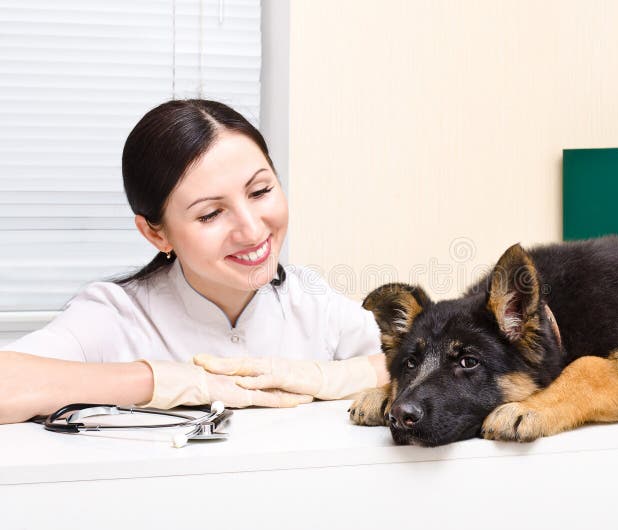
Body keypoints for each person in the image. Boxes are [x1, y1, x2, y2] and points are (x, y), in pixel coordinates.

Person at [0, 99, 388, 425]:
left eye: (261, 190)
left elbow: (435, 360)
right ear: (156, 233)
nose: (252, 231)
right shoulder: (116, 315)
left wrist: (324, 376)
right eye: (210, 215)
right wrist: (171, 382)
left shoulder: (311, 301)